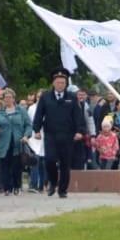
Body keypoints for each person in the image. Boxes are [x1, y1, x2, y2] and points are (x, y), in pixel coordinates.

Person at [32, 69, 86, 199]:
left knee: (65, 163)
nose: (60, 85)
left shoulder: (72, 98)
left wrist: (80, 131)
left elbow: (78, 116)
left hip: (67, 135)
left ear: (66, 84)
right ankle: (53, 182)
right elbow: (39, 114)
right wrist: (37, 129)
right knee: (49, 160)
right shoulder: (45, 97)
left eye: (63, 82)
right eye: (58, 82)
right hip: (51, 134)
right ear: (53, 83)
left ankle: (62, 190)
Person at [0, 88, 31, 195]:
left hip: (17, 143)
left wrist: (26, 136)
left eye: (9, 97)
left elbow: (28, 125)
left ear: (14, 98)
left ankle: (17, 187)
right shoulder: (0, 112)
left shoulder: (21, 110)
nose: (7, 99)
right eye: (5, 98)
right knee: (4, 166)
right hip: (3, 143)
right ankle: (7, 188)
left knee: (16, 166)